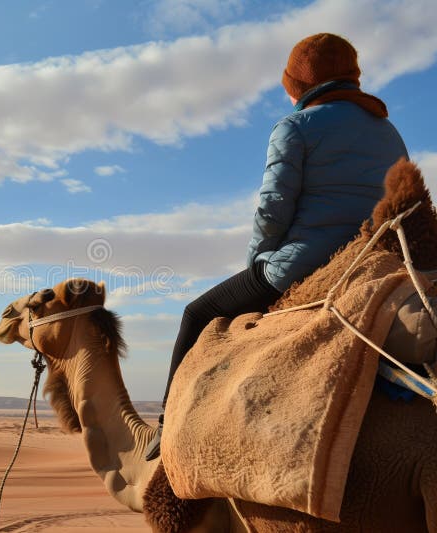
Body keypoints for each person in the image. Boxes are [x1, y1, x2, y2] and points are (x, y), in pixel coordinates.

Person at [145, 33, 408, 461]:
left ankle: (167, 427)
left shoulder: (295, 127)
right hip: (375, 261)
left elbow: (273, 208)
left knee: (196, 313)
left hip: (304, 264)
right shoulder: (389, 130)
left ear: (300, 84)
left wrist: (258, 264)